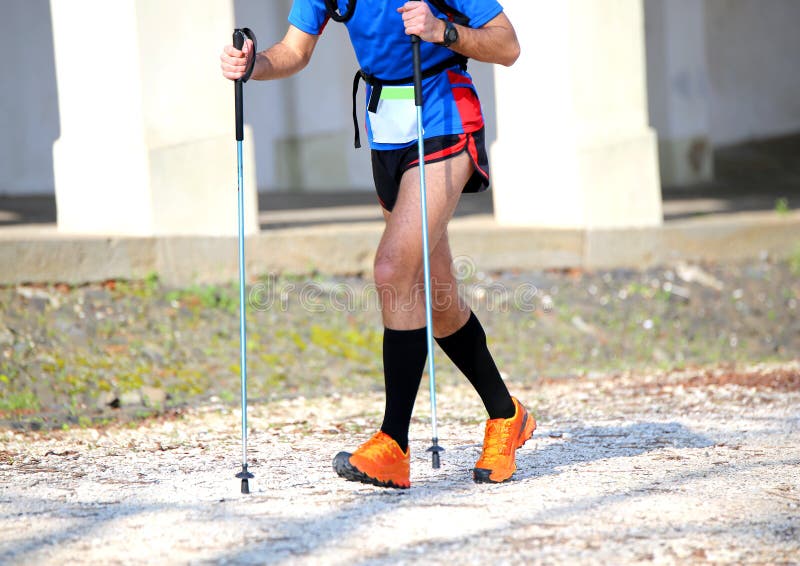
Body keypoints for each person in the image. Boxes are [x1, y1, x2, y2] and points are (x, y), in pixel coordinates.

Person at [220, 0, 534, 488]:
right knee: (438, 293)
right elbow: (294, 51)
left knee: (393, 269)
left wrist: (442, 31)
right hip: (386, 131)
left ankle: (393, 444)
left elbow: (508, 45)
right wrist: (254, 66)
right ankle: (505, 413)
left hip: (445, 116)